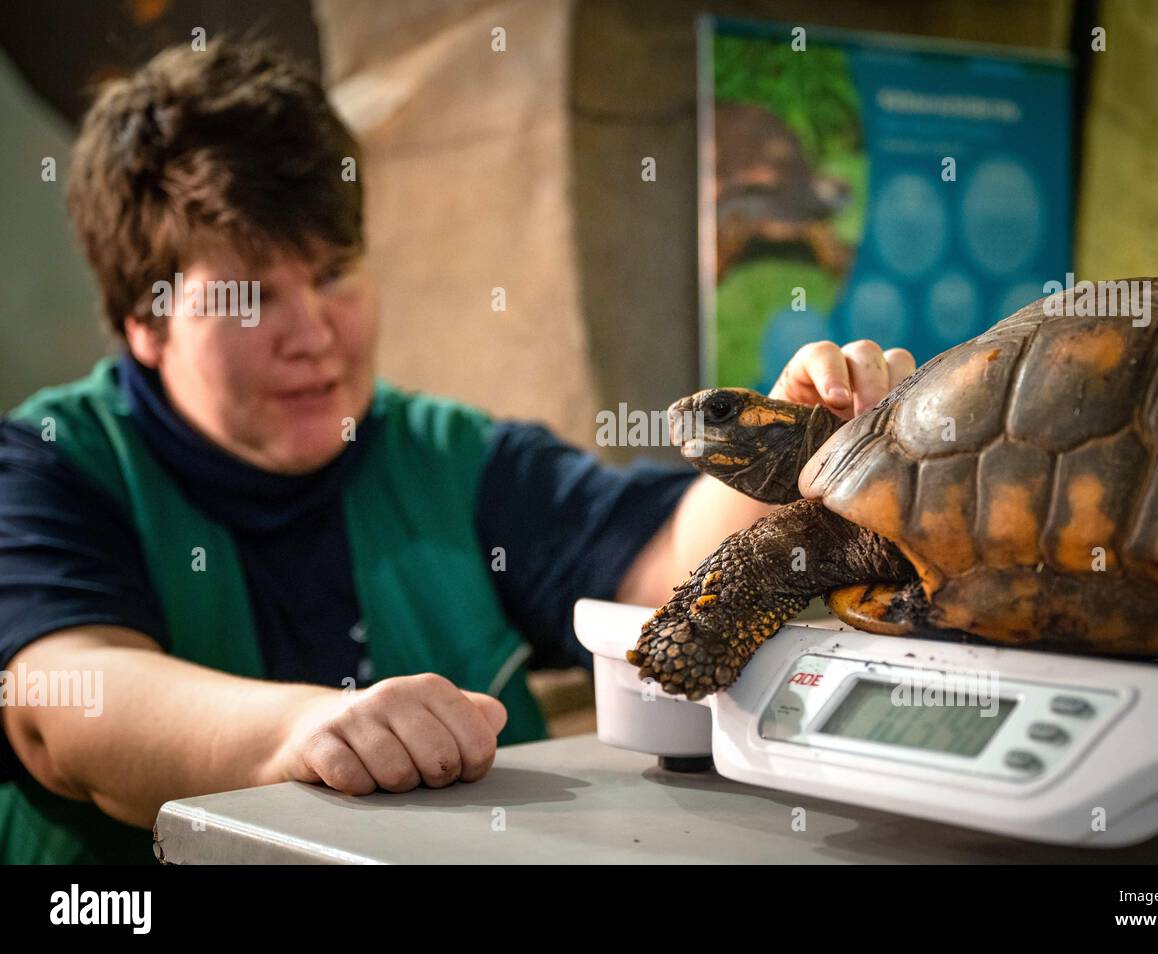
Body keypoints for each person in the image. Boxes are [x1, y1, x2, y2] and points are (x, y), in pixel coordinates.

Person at [0, 38, 914, 863]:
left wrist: (798, 448)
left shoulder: (459, 461)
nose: (313, 333)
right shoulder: (50, 466)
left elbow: (670, 563)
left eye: (331, 274)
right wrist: (304, 732)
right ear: (143, 322)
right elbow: (67, 706)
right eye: (250, 297)